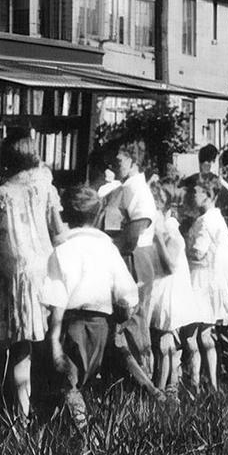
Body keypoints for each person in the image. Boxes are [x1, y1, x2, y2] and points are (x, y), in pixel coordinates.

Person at [0, 132, 65, 418]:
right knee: (51, 339)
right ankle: (52, 404)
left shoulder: (0, 194)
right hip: (45, 269)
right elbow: (58, 228)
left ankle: (22, 414)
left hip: (17, 273)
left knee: (21, 350)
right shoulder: (43, 183)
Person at [42, 187, 139, 426]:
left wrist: (53, 340)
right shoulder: (107, 247)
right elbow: (127, 292)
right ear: (97, 216)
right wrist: (123, 313)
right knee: (84, 379)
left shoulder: (62, 250)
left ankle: (83, 433)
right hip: (101, 323)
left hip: (72, 322)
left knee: (68, 381)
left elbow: (55, 296)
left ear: (66, 216)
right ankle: (83, 430)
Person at [101, 140, 162, 392]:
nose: (116, 164)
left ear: (134, 162)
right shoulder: (126, 185)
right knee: (125, 321)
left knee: (134, 319)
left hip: (134, 257)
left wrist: (112, 248)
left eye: (121, 160)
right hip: (129, 254)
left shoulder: (137, 187)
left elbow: (137, 226)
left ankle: (145, 385)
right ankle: (132, 382)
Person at [183, 175, 228, 392]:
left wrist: (181, 251)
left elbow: (197, 253)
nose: (191, 195)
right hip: (214, 282)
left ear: (208, 195)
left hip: (200, 281)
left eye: (195, 192)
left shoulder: (204, 221)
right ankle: (213, 384)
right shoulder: (217, 217)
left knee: (190, 335)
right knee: (207, 334)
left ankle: (195, 383)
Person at [147, 176, 201, 396]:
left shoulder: (170, 230)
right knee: (165, 343)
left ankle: (164, 390)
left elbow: (168, 265)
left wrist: (158, 239)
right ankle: (169, 387)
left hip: (169, 294)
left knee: (165, 344)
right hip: (165, 290)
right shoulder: (167, 227)